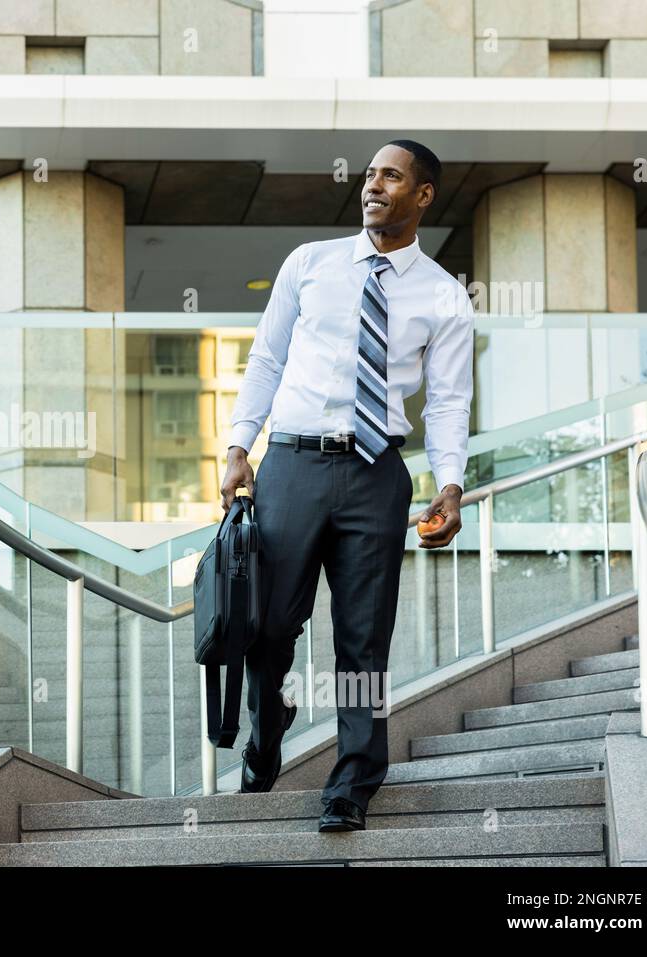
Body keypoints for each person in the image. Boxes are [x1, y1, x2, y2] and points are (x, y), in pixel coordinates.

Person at [218, 140, 474, 832]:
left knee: (362, 637)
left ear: (422, 195)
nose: (373, 185)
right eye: (369, 175)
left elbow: (449, 402)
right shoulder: (310, 264)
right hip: (292, 465)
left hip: (376, 473)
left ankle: (353, 780)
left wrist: (449, 487)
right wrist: (240, 446)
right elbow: (266, 357)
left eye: (391, 176)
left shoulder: (445, 296)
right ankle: (267, 727)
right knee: (268, 626)